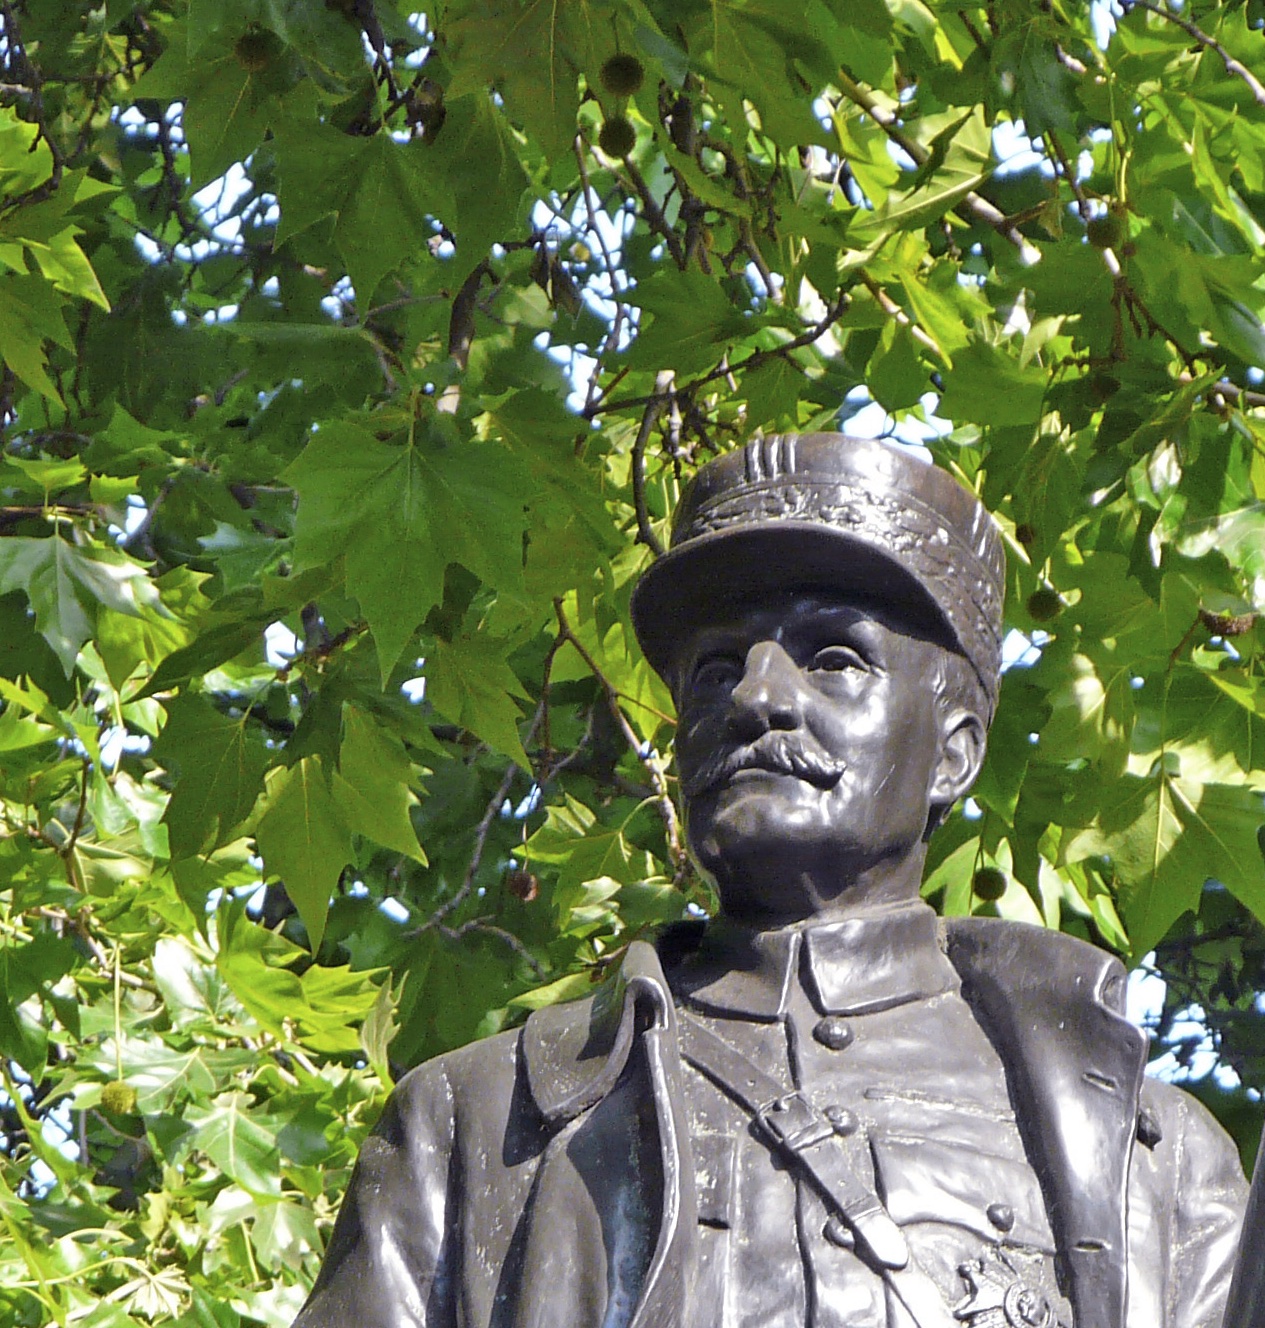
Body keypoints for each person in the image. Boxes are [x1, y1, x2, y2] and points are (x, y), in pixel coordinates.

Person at [292, 433, 1248, 1328]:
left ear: (954, 753)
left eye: (834, 659)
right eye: (713, 672)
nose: (754, 697)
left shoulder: (1145, 1162)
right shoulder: (476, 1125)